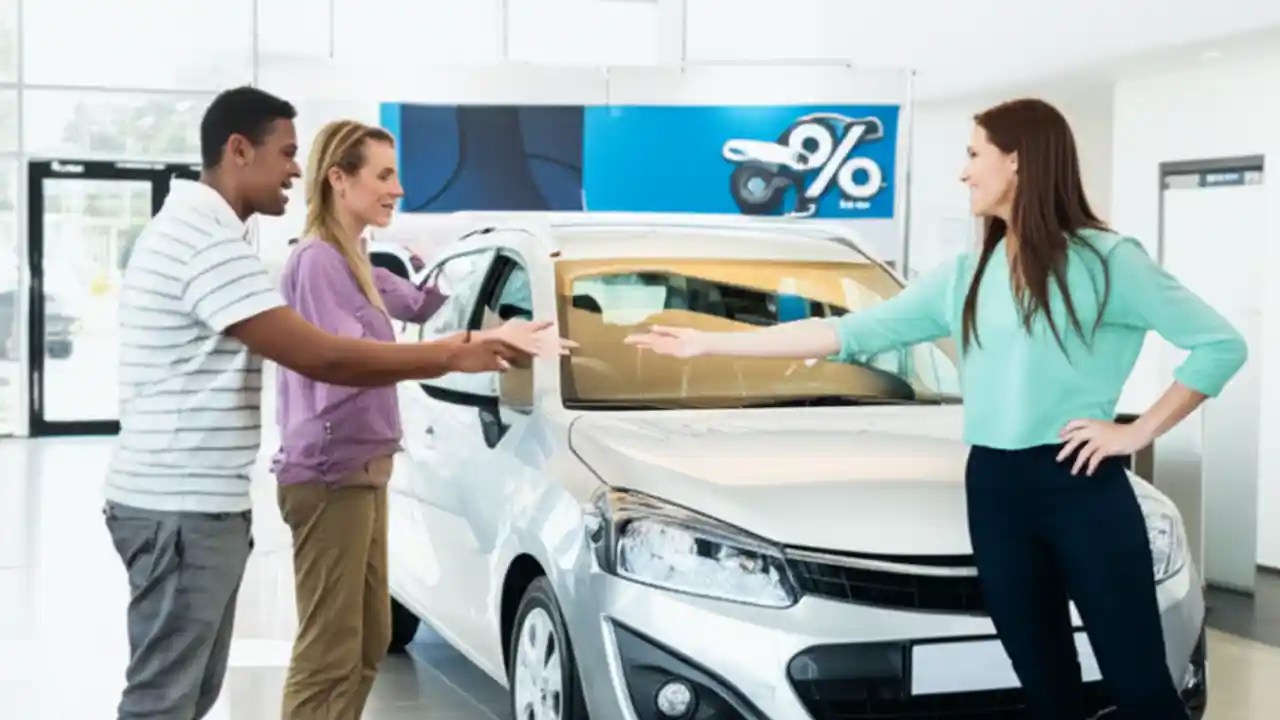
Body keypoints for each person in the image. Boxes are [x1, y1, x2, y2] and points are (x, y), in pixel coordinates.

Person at [625, 98, 1247, 719]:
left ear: (1019, 161)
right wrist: (711, 341)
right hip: (996, 489)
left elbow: (1220, 344)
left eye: (975, 154)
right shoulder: (966, 275)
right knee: (1047, 692)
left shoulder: (1111, 262)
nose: (964, 171)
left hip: (1081, 486)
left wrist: (1136, 431)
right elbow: (848, 333)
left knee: (1140, 690)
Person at [103, 86, 561, 720]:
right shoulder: (217, 245)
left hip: (204, 502)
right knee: (173, 697)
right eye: (288, 152)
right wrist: (462, 352)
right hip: (192, 502)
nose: (298, 166)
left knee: (210, 685)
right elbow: (327, 358)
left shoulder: (227, 240)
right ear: (239, 150)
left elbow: (405, 308)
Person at [270, 119, 440, 718]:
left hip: (367, 471)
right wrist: (452, 352)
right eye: (385, 175)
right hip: (328, 475)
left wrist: (451, 268)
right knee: (330, 652)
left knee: (369, 642)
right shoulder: (317, 261)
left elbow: (417, 301)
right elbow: (348, 361)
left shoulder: (358, 258)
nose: (397, 189)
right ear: (339, 179)